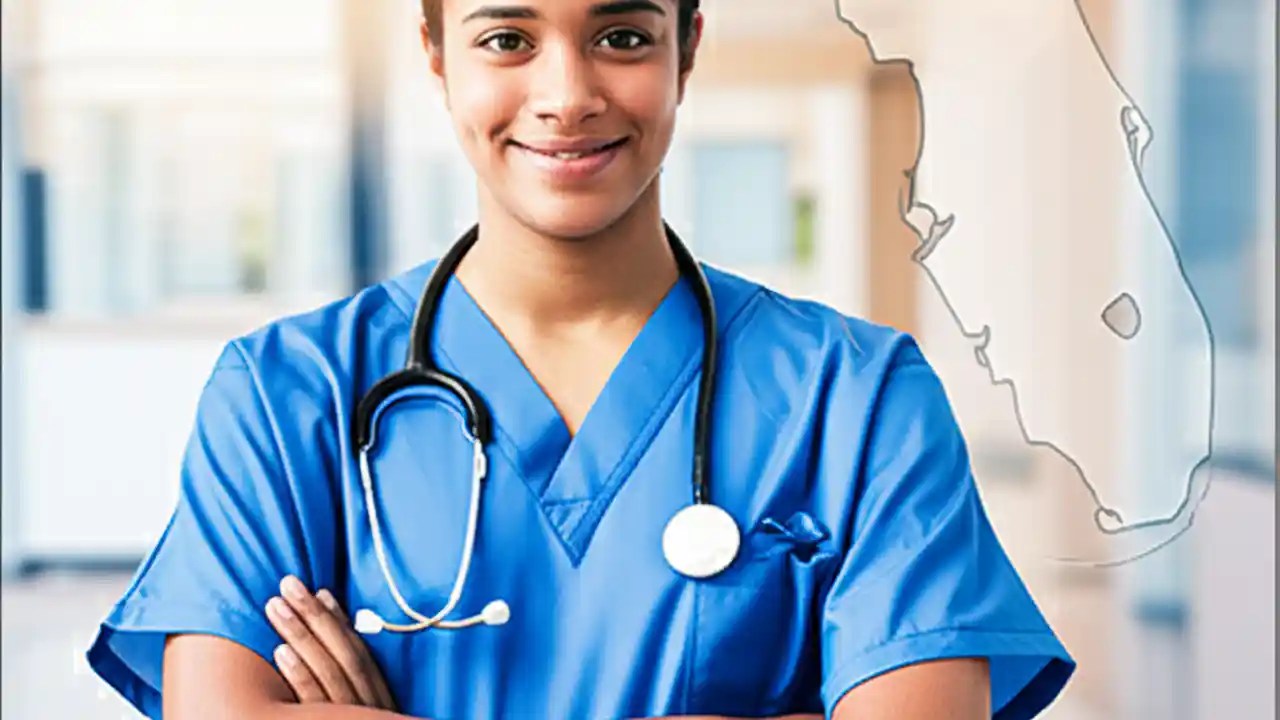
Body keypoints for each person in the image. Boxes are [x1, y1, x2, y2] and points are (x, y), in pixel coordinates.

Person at [86, 0, 1075, 718]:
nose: (565, 95)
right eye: (506, 39)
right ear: (435, 52)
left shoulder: (857, 397)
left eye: (621, 37)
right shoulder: (284, 393)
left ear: (687, 46)